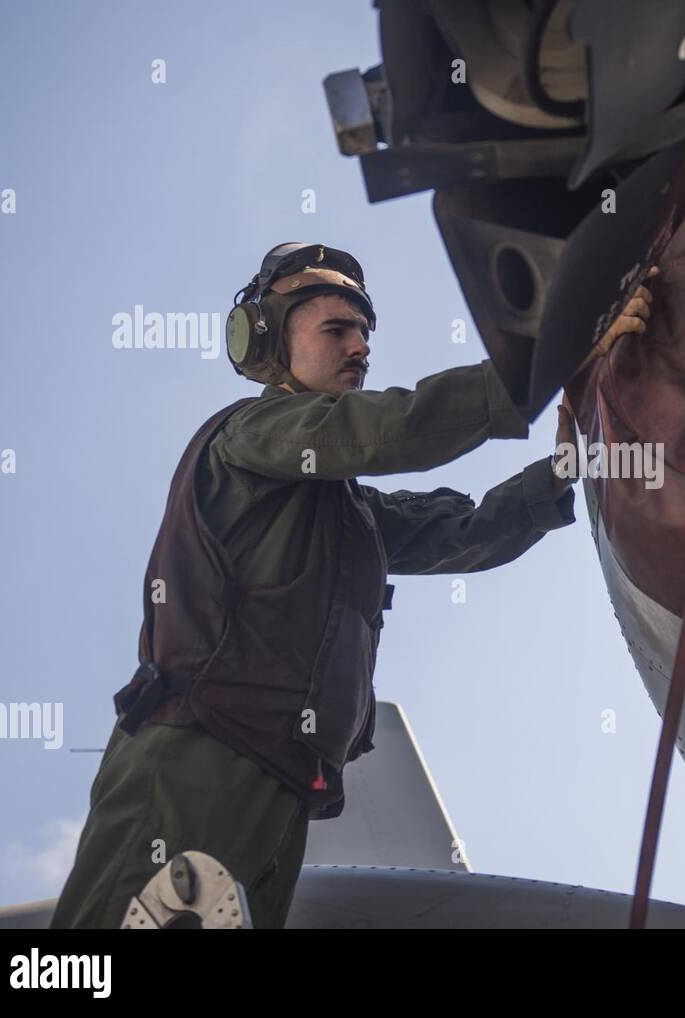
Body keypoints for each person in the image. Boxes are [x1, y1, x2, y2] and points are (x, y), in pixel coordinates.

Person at [50, 243, 653, 928]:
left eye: (365, 333)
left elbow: (465, 530)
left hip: (279, 788)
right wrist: (548, 360)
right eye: (337, 330)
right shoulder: (249, 434)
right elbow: (388, 430)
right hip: (195, 760)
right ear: (272, 344)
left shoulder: (348, 509)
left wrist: (568, 466)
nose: (361, 347)